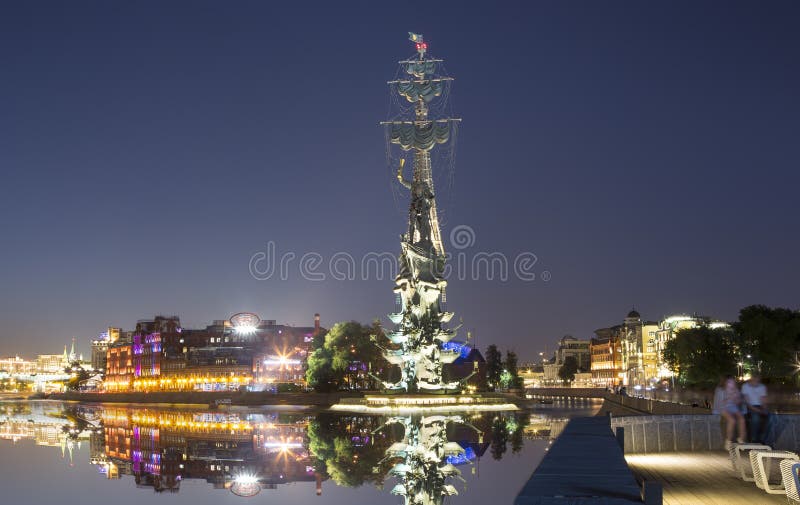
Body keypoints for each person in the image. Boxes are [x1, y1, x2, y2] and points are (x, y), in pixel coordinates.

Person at [716, 375, 746, 450]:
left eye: (732, 382)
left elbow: (738, 402)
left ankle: (741, 440)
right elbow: (719, 403)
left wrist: (736, 398)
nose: (731, 384)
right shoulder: (720, 390)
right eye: (729, 382)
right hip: (722, 407)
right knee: (732, 420)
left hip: (733, 407)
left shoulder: (735, 390)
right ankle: (728, 441)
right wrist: (729, 397)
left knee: (742, 419)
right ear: (725, 382)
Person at [742, 374, 769, 443]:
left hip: (759, 406)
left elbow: (763, 400)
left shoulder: (762, 387)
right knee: (755, 418)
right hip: (749, 407)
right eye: (755, 380)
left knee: (770, 418)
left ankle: (763, 439)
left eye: (758, 380)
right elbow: (747, 403)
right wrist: (759, 411)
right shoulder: (745, 386)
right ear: (752, 379)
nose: (757, 382)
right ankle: (754, 440)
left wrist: (764, 409)